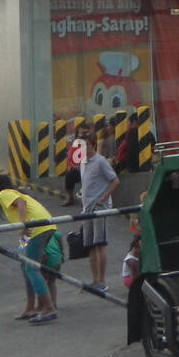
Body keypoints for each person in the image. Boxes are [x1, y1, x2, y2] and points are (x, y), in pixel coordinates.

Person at [0, 174, 60, 324]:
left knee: (31, 268)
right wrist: (21, 248)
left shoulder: (4, 193)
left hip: (35, 227)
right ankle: (30, 308)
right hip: (45, 225)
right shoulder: (18, 193)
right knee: (25, 264)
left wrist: (22, 223)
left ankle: (48, 307)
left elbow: (20, 204)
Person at [78, 128, 120, 292]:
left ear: (93, 145)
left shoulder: (100, 161)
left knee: (100, 244)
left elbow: (115, 181)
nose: (84, 148)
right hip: (87, 208)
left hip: (99, 208)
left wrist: (103, 198)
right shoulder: (83, 163)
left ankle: (102, 281)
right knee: (90, 245)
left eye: (87, 145)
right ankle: (94, 280)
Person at [62, 118, 86, 205]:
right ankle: (70, 198)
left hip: (90, 167)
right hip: (79, 168)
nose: (83, 136)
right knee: (69, 175)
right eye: (81, 134)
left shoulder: (91, 142)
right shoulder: (76, 144)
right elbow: (71, 159)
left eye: (85, 134)